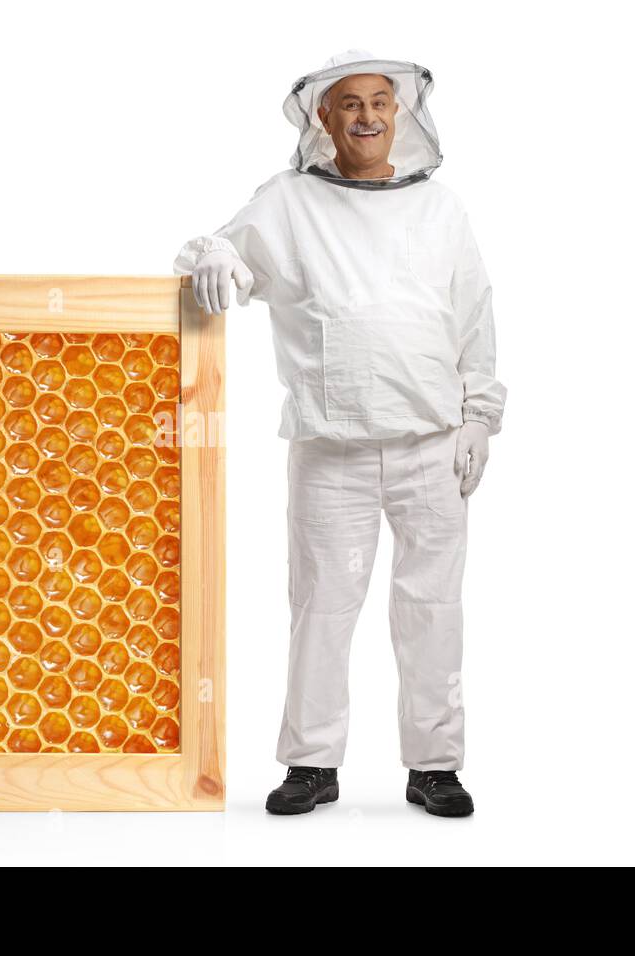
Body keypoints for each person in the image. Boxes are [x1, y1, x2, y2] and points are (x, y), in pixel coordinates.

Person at [173, 50, 507, 817]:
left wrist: (479, 417)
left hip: (432, 446)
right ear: (323, 116)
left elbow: (474, 313)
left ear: (401, 113)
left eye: (380, 102)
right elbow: (221, 250)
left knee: (432, 609)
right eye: (350, 103)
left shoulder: (441, 209)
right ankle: (311, 763)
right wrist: (213, 254)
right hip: (330, 450)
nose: (366, 116)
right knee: (320, 608)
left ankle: (434, 766)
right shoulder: (289, 202)